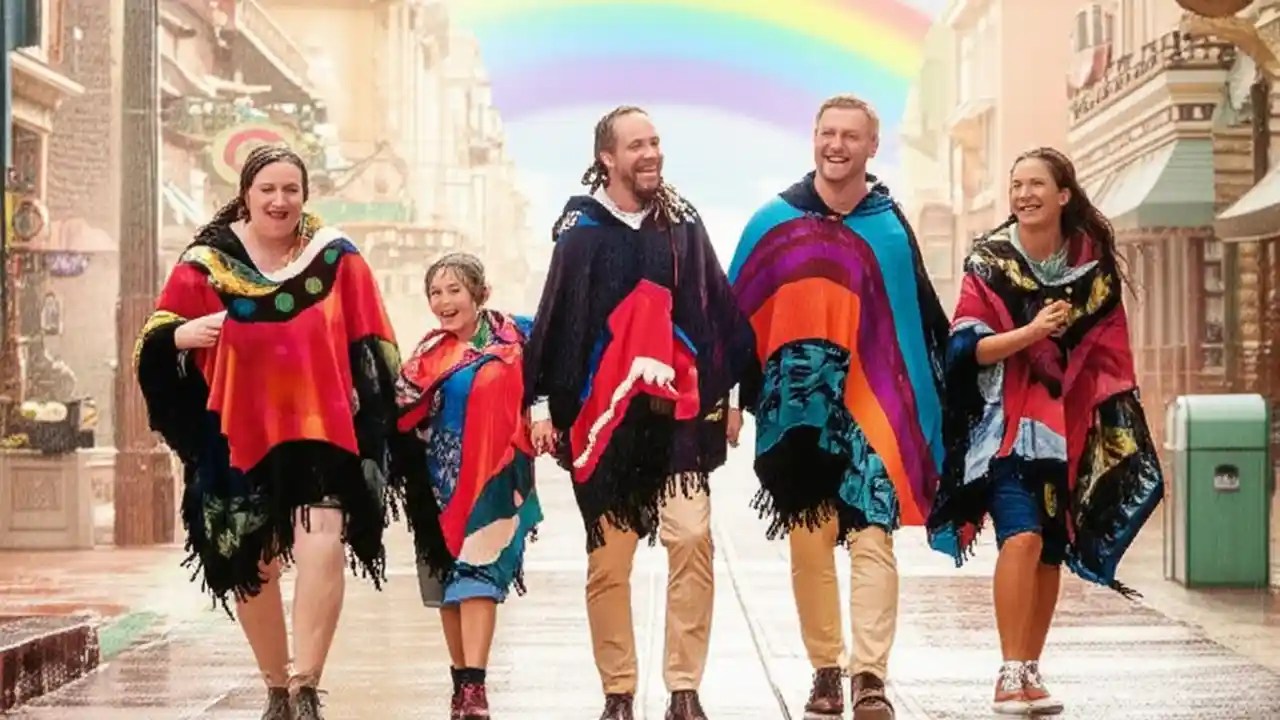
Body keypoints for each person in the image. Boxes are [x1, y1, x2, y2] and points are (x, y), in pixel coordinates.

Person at [133, 144, 403, 720]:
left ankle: (306, 687)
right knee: (252, 562)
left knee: (322, 544)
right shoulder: (206, 264)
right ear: (246, 195)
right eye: (268, 190)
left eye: (291, 190)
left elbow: (374, 345)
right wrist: (183, 336)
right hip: (236, 437)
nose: (280, 201)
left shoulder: (338, 259)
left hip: (322, 433)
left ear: (305, 195)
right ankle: (276, 687)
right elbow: (153, 340)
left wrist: (380, 420)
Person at [521, 105, 753, 720]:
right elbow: (556, 320)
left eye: (655, 142)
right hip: (607, 422)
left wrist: (730, 397)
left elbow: (715, 309)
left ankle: (684, 687)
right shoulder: (581, 233)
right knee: (610, 562)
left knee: (692, 538)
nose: (650, 154)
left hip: (678, 416)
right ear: (607, 158)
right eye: (636, 146)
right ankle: (618, 691)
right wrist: (541, 405)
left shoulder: (683, 225)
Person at [727, 94, 949, 720]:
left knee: (875, 536)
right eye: (828, 133)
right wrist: (734, 399)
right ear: (814, 138)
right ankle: (826, 668)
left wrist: (937, 397)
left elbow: (918, 319)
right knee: (810, 540)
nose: (837, 145)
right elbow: (734, 317)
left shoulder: (889, 226)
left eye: (851, 136)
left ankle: (869, 675)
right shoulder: (774, 221)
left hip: (873, 405)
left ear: (872, 146)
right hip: (797, 406)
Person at [926, 147, 1164, 715]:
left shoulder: (1092, 270)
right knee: (1022, 538)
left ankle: (1031, 669)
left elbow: (1108, 352)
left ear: (1063, 195)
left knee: (1050, 552)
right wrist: (1032, 332)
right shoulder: (989, 262)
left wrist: (1107, 422)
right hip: (1003, 430)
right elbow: (966, 349)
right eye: (1017, 185)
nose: (1024, 194)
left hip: (1066, 430)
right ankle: (1008, 672)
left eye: (1036, 184)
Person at [396, 252, 542, 720]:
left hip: (496, 477)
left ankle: (475, 686)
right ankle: (462, 683)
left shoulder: (518, 335)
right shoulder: (427, 354)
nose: (444, 301)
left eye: (454, 290)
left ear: (481, 293)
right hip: (437, 482)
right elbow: (399, 411)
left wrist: (546, 416)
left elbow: (557, 364)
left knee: (478, 577)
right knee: (448, 586)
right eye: (435, 292)